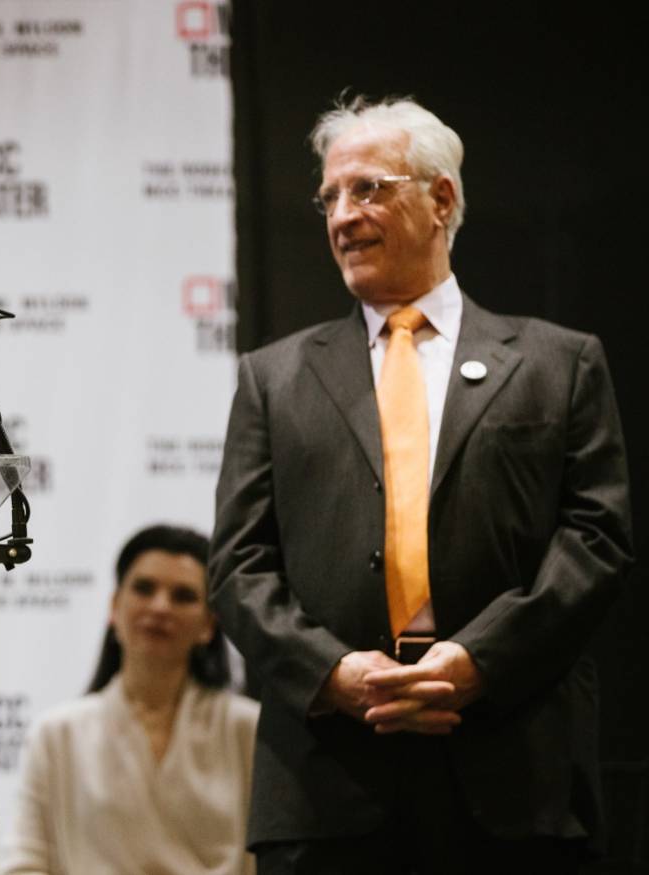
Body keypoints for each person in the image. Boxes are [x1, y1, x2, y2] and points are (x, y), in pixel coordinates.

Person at [208, 95, 632, 873]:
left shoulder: (557, 363)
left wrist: (481, 659)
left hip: (515, 777)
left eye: (368, 188)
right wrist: (333, 672)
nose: (342, 215)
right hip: (326, 782)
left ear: (441, 199)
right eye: (330, 196)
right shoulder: (272, 380)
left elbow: (597, 541)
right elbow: (238, 569)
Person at [7, 525, 259, 875]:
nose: (160, 607)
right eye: (144, 588)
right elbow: (24, 865)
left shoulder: (247, 728)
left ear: (209, 624)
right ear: (114, 606)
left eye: (183, 596)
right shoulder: (57, 734)